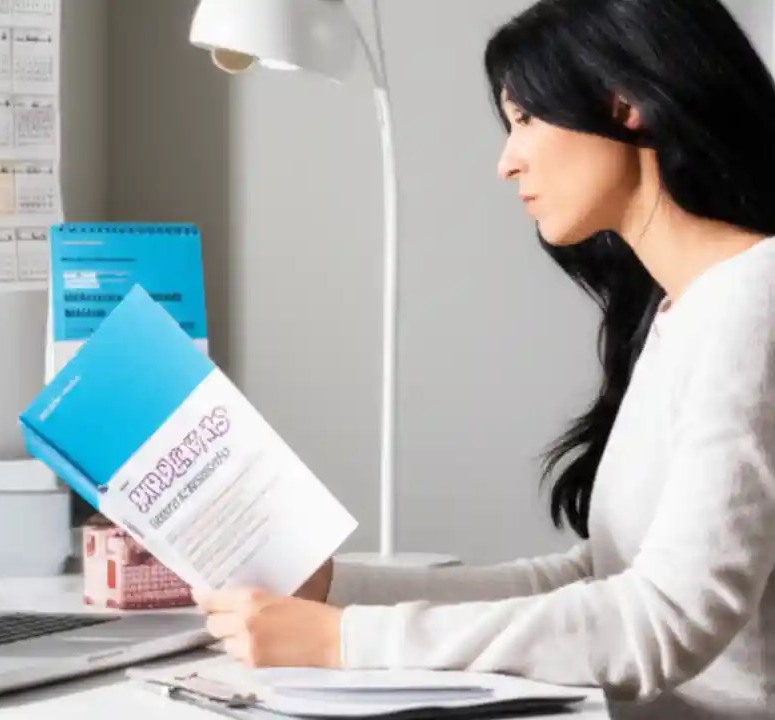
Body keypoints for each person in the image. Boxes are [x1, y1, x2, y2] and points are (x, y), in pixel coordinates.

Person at [193, 1, 775, 718]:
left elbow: (664, 622)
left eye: (525, 118)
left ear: (624, 102)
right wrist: (337, 591)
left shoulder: (757, 301)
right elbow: (591, 578)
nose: (506, 161)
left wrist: (348, 640)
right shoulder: (682, 309)